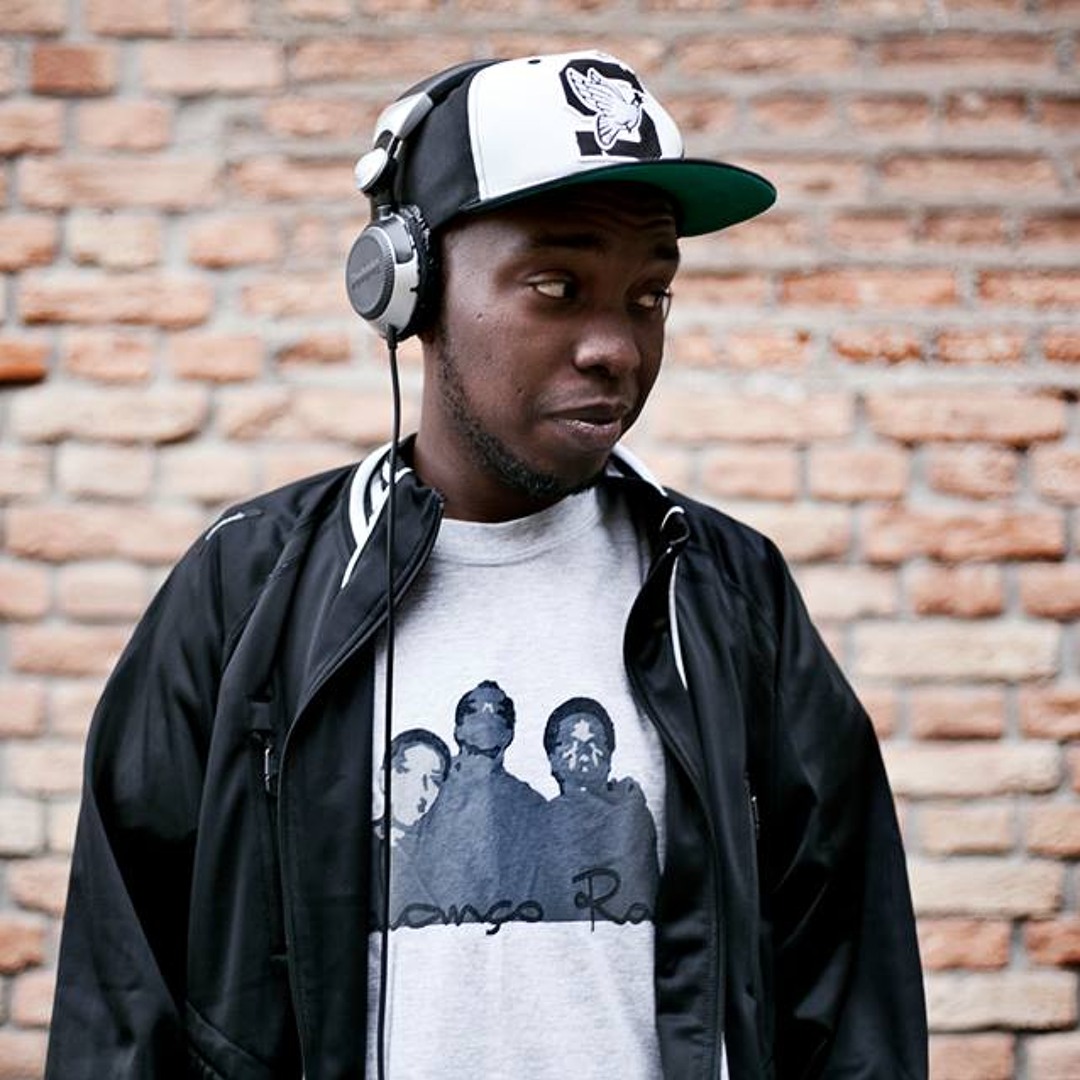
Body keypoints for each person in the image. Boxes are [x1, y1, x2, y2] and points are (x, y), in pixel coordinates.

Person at [46, 49, 927, 1080]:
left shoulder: (728, 592)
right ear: (408, 290)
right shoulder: (245, 589)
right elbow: (121, 1009)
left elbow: (851, 1001)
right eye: (557, 285)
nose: (616, 347)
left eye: (650, 294)